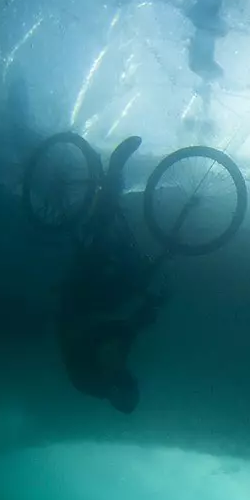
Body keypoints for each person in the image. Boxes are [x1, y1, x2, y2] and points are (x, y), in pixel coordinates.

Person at [55, 136, 164, 414]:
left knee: (102, 244)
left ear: (114, 389)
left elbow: (98, 336)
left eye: (125, 382)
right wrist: (147, 308)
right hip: (92, 307)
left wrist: (133, 319)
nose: (127, 375)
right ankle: (105, 205)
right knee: (135, 273)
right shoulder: (114, 372)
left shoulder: (87, 378)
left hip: (76, 303)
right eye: (131, 381)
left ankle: (112, 174)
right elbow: (124, 333)